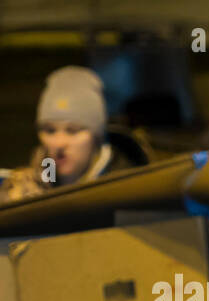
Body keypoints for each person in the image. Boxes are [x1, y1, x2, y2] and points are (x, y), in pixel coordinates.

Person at [2, 67, 140, 203]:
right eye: (50, 131)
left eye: (73, 131)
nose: (59, 143)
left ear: (96, 136)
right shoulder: (18, 191)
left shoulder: (130, 193)